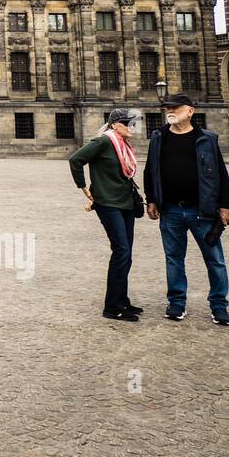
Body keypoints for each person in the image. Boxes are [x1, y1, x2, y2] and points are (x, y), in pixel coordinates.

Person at [143, 93, 229, 325]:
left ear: (190, 111)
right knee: (173, 259)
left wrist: (225, 205)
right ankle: (176, 302)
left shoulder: (206, 138)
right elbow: (150, 170)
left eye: (175, 108)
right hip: (171, 210)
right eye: (167, 108)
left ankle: (219, 305)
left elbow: (221, 175)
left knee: (215, 260)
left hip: (202, 211)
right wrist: (151, 199)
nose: (170, 111)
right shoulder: (158, 137)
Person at [68, 109, 146, 322]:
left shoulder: (124, 146)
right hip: (108, 204)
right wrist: (84, 188)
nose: (131, 127)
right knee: (121, 251)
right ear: (114, 125)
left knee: (127, 252)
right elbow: (75, 159)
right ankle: (112, 307)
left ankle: (122, 299)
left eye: (132, 123)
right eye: (127, 123)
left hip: (126, 204)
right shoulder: (102, 141)